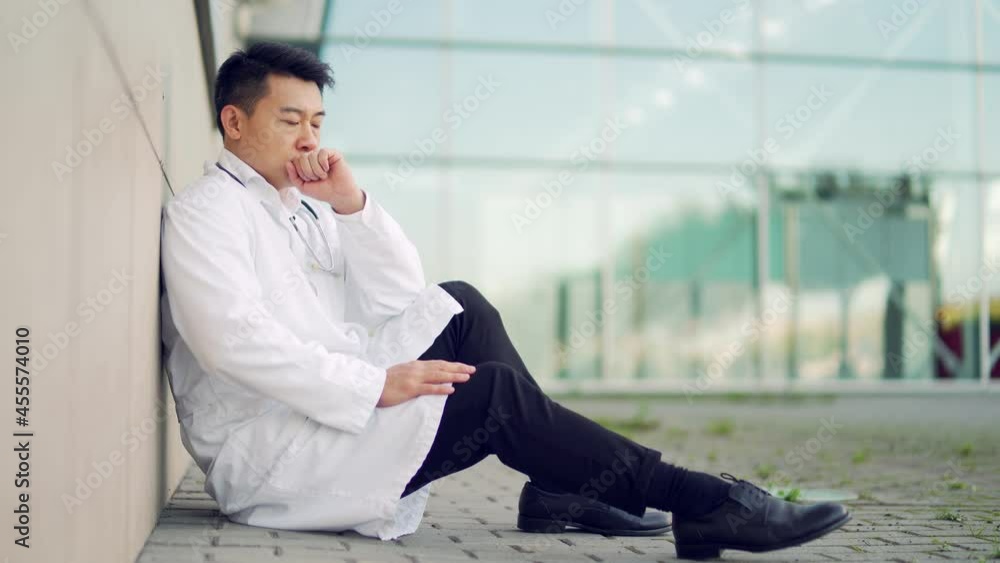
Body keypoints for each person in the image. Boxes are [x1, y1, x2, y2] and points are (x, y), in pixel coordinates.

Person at [159, 41, 850, 559]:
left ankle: (560, 487)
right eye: (291, 121)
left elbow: (402, 293)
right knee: (494, 397)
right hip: (275, 455)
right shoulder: (206, 213)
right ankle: (699, 500)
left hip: (322, 410)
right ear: (234, 122)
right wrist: (374, 384)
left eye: (317, 121)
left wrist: (351, 204)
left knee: (460, 305)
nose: (310, 138)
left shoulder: (301, 210)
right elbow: (230, 342)